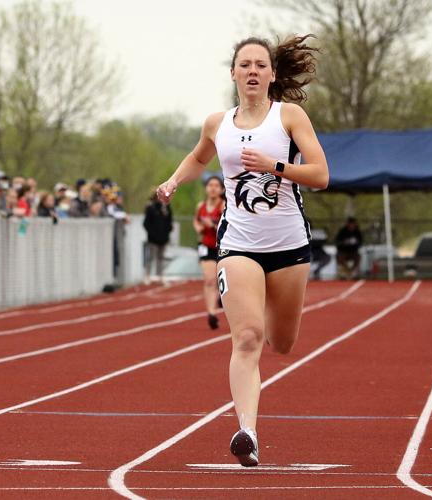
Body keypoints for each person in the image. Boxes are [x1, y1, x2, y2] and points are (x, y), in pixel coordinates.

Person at [155, 34, 327, 466]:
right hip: (238, 245)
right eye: (244, 64)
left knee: (282, 343)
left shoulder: (289, 116)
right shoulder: (218, 123)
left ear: (271, 74)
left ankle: (268, 315)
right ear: (233, 73)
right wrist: (174, 181)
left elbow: (321, 175)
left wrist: (275, 167)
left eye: (260, 65)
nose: (252, 71)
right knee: (247, 337)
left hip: (289, 246)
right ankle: (247, 431)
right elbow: (199, 158)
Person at [194, 176, 226, 329]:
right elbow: (196, 220)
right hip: (206, 245)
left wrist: (212, 225)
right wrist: (199, 227)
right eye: (210, 185)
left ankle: (221, 297)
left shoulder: (223, 205)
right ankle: (211, 313)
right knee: (209, 279)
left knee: (223, 279)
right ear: (206, 188)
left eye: (216, 185)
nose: (213, 188)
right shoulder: (200, 205)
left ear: (221, 189)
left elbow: (227, 226)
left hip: (223, 246)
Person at [143, 192, 173, 284]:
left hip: (163, 238)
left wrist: (167, 231)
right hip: (153, 238)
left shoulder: (166, 208)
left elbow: (170, 221)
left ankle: (160, 276)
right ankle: (147, 275)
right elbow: (146, 223)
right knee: (151, 257)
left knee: (161, 258)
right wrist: (152, 233)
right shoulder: (151, 208)